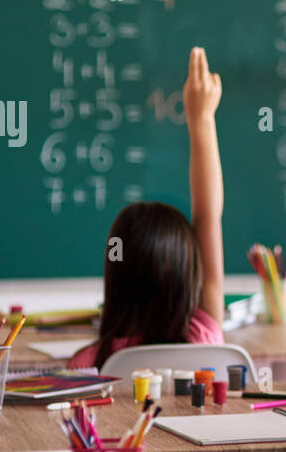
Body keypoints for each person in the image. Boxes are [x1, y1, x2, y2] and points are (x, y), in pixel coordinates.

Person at [69, 47, 226, 369]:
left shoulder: (90, 364)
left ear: (115, 274)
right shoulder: (203, 338)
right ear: (189, 273)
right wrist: (202, 119)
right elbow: (208, 216)